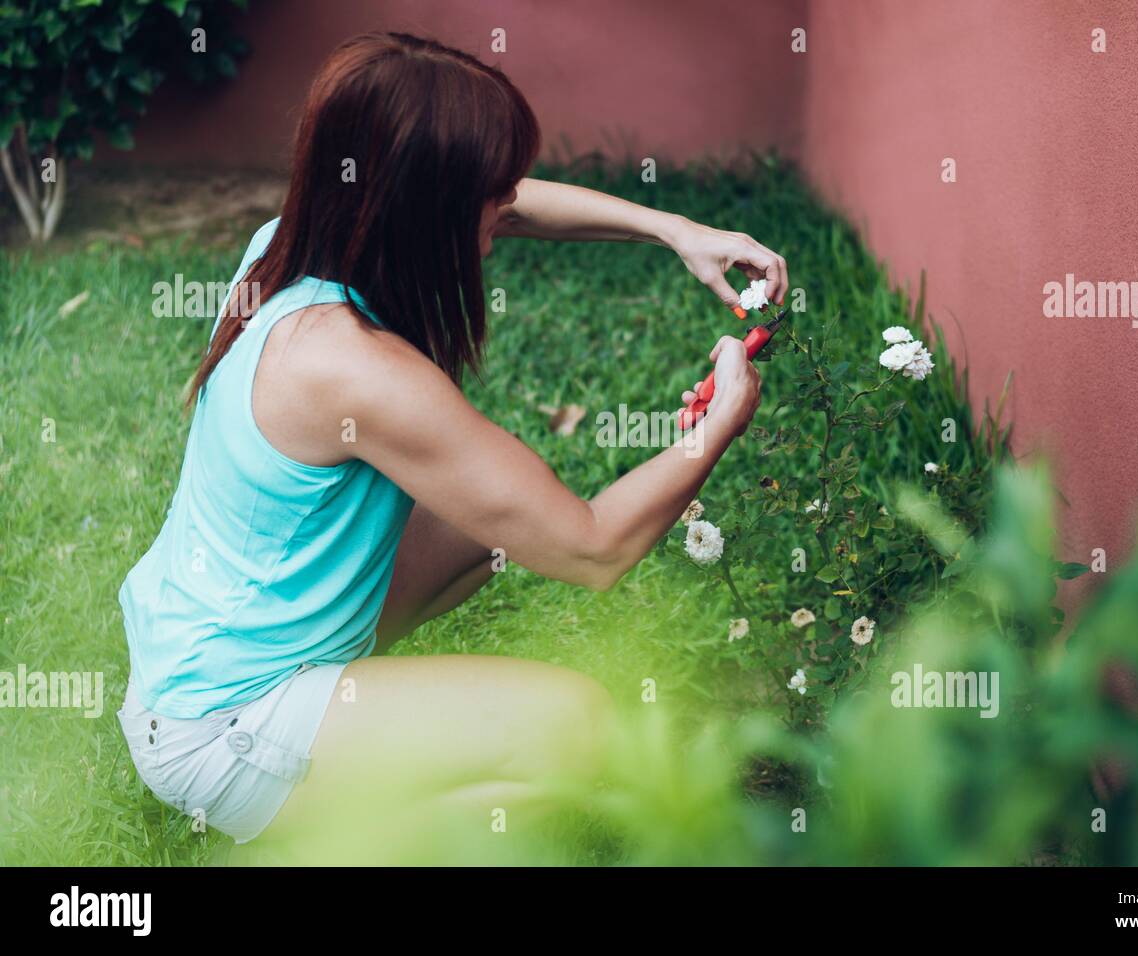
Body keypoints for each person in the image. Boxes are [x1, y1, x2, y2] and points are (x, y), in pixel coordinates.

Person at [115, 31, 785, 858]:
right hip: (218, 724)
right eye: (485, 196)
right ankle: (316, 839)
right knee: (578, 729)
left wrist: (674, 229)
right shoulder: (355, 372)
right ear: (422, 206)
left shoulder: (286, 248)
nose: (505, 209)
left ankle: (339, 750)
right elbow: (594, 548)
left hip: (201, 646)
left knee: (490, 522)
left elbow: (515, 196)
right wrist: (715, 434)